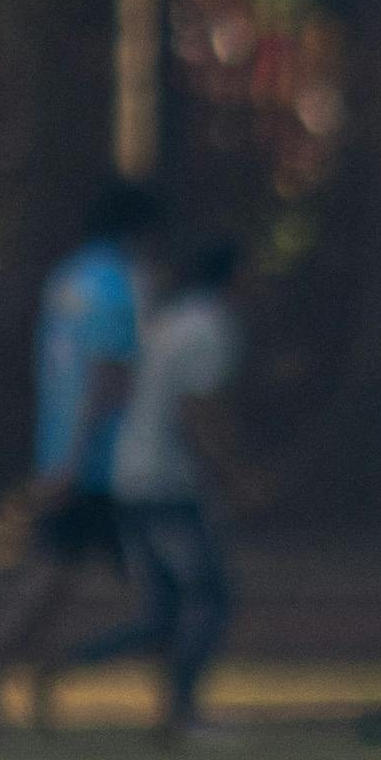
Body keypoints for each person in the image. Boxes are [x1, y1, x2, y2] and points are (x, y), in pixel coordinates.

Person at [0, 176, 159, 736]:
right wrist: (76, 460)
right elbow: (108, 378)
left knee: (49, 586)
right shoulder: (119, 286)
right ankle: (177, 706)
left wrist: (56, 458)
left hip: (60, 453)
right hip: (104, 463)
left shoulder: (66, 280)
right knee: (164, 587)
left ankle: (8, 696)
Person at [78, 234, 240, 733]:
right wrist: (229, 474)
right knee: (208, 597)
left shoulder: (167, 321)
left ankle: (59, 667)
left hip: (132, 474)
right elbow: (196, 410)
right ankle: (181, 712)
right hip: (168, 483)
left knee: (162, 613)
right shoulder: (210, 326)